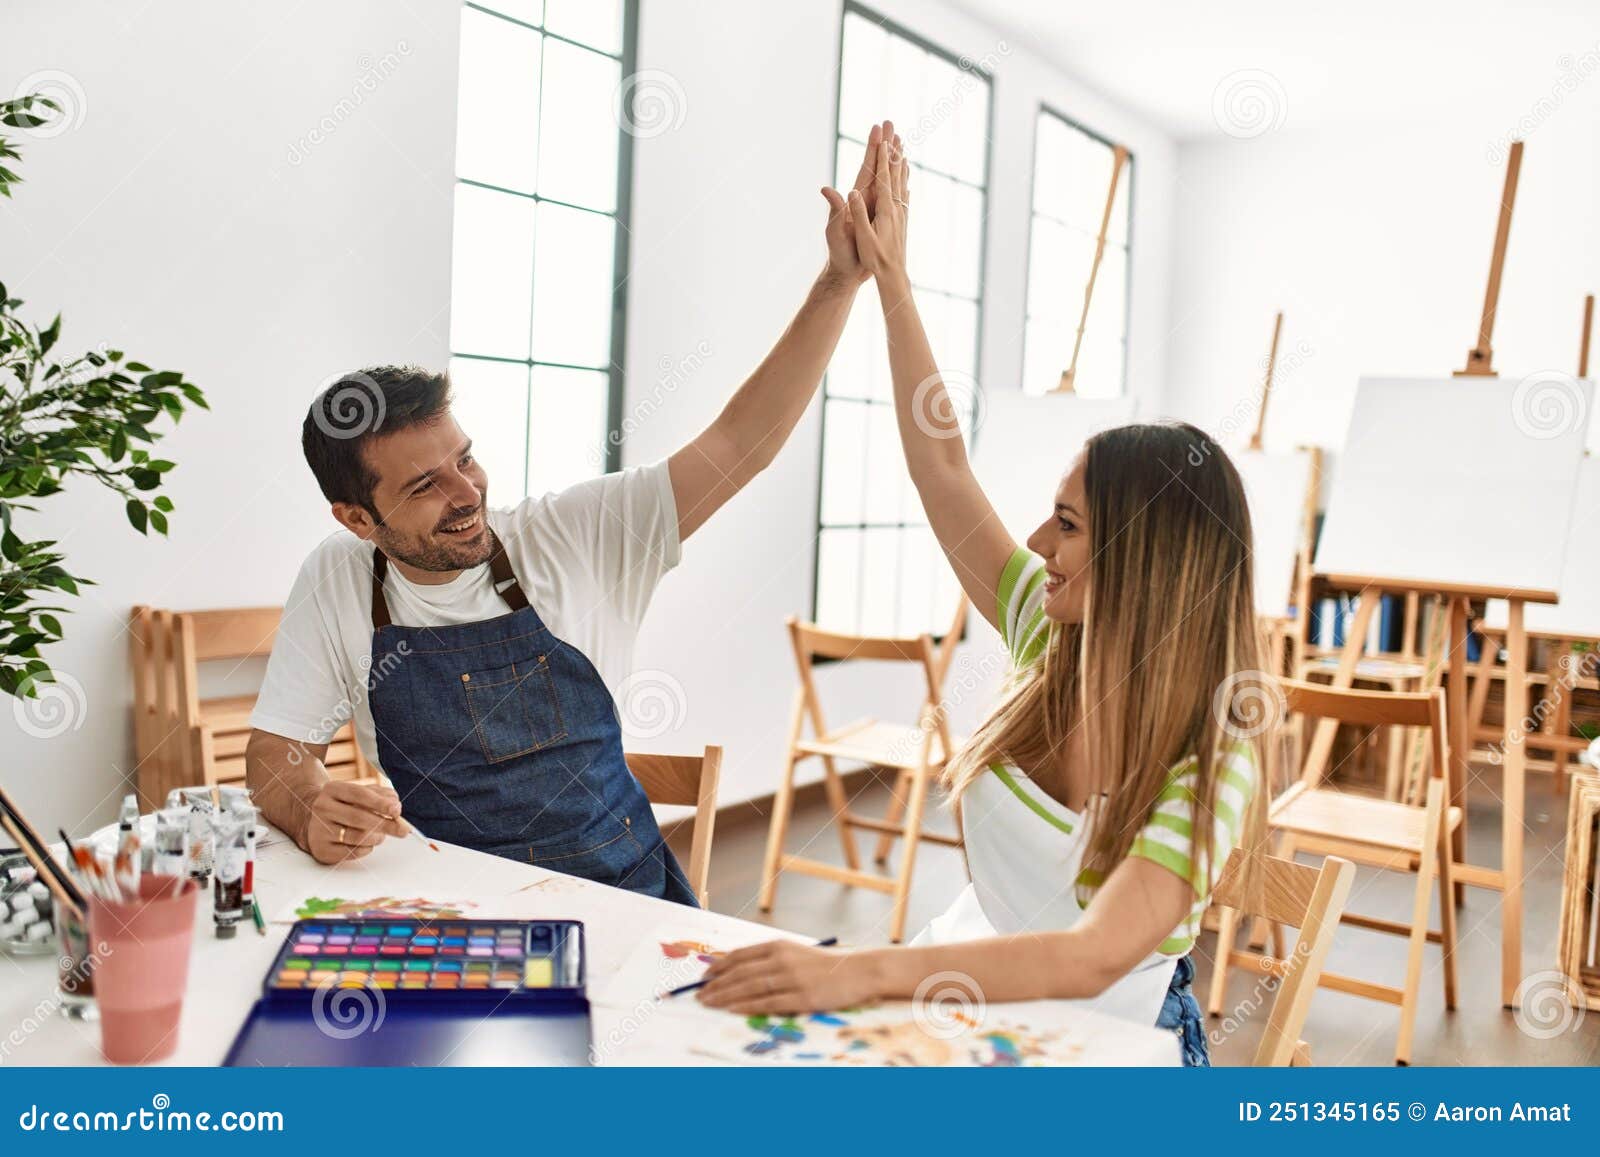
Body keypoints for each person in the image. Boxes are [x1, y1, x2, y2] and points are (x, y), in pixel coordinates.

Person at [695, 134, 1267, 1063]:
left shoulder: (1214, 748)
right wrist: (890, 280)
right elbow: (943, 466)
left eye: (1069, 525)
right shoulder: (1050, 629)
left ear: (1148, 557)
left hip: (1110, 1046)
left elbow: (1091, 960)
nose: (1038, 545)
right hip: (962, 991)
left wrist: (857, 972)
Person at [244, 123, 906, 905]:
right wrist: (311, 804)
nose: (466, 493)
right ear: (357, 517)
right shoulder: (341, 575)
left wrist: (839, 281)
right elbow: (275, 753)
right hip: (457, 906)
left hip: (620, 897)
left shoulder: (576, 534)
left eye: (466, 458)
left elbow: (741, 444)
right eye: (424, 486)